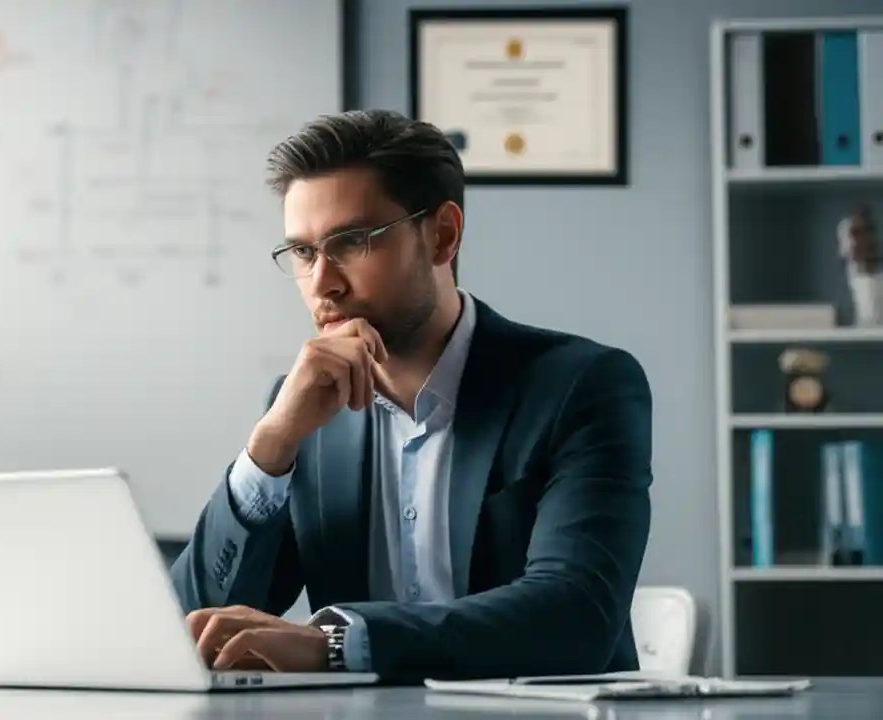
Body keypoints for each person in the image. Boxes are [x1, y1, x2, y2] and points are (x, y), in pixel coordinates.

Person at [169, 109, 653, 685]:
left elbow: (577, 617)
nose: (323, 282)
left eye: (351, 241)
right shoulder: (304, 410)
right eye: (301, 252)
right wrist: (269, 449)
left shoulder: (580, 386)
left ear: (442, 236)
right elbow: (187, 625)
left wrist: (338, 643)